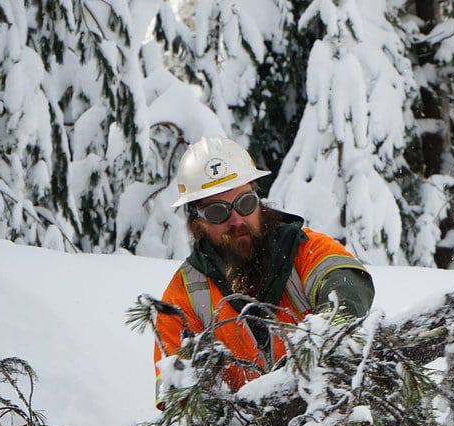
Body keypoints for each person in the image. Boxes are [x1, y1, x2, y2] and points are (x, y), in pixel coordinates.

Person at [153, 136, 374, 403]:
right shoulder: (183, 294)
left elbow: (347, 286)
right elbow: (177, 398)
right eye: (217, 212)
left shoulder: (303, 248)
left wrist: (313, 349)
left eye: (245, 203)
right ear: (197, 222)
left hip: (324, 423)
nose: (236, 220)